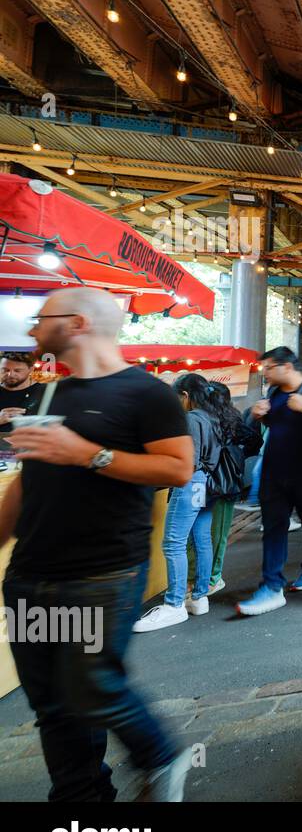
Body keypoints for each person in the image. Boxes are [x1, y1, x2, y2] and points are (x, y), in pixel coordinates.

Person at [1, 287, 194, 800]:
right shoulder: (46, 394)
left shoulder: (146, 392)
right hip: (30, 573)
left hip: (99, 574)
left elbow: (178, 469)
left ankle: (161, 752)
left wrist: (88, 453)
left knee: (92, 689)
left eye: (42, 318)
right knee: (52, 706)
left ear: (79, 323)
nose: (31, 329)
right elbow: (28, 481)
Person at [235, 347, 302, 616]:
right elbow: (276, 425)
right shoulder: (274, 393)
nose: (263, 373)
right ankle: (271, 586)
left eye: (268, 367)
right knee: (273, 528)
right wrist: (258, 416)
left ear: (286, 366)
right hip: (274, 473)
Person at [133, 373, 220, 632]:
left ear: (185, 396)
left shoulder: (192, 419)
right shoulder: (212, 417)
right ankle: (200, 597)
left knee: (173, 543)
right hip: (205, 482)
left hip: (189, 481)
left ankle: (174, 605)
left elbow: (187, 461)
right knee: (201, 537)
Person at [199, 381, 262, 595]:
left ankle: (209, 577)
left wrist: (232, 454)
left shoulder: (201, 419)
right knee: (218, 532)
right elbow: (255, 441)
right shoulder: (233, 418)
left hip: (207, 482)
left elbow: (254, 440)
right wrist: (237, 456)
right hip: (226, 483)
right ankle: (211, 577)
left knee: (202, 532)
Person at [0, 351, 45, 430]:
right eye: (5, 370)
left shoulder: (44, 393)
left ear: (31, 369)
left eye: (17, 370)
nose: (10, 374)